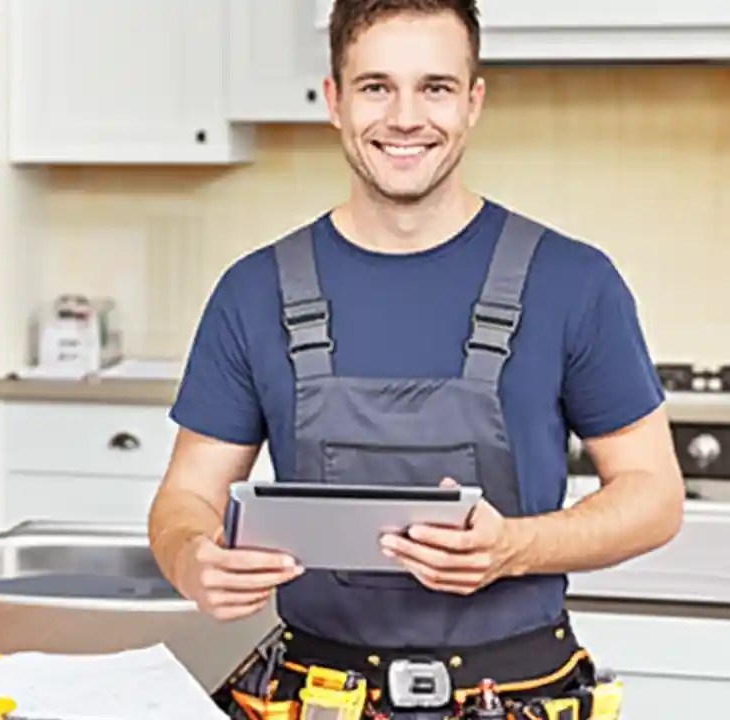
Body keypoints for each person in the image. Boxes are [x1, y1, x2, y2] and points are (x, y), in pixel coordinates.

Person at [147, 0, 685, 717]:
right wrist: (191, 558)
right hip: (316, 696)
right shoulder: (255, 292)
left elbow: (655, 496)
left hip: (520, 692)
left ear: (472, 102)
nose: (405, 117)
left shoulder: (573, 282)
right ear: (334, 101)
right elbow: (186, 495)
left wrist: (515, 547)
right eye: (376, 86)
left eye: (434, 87)